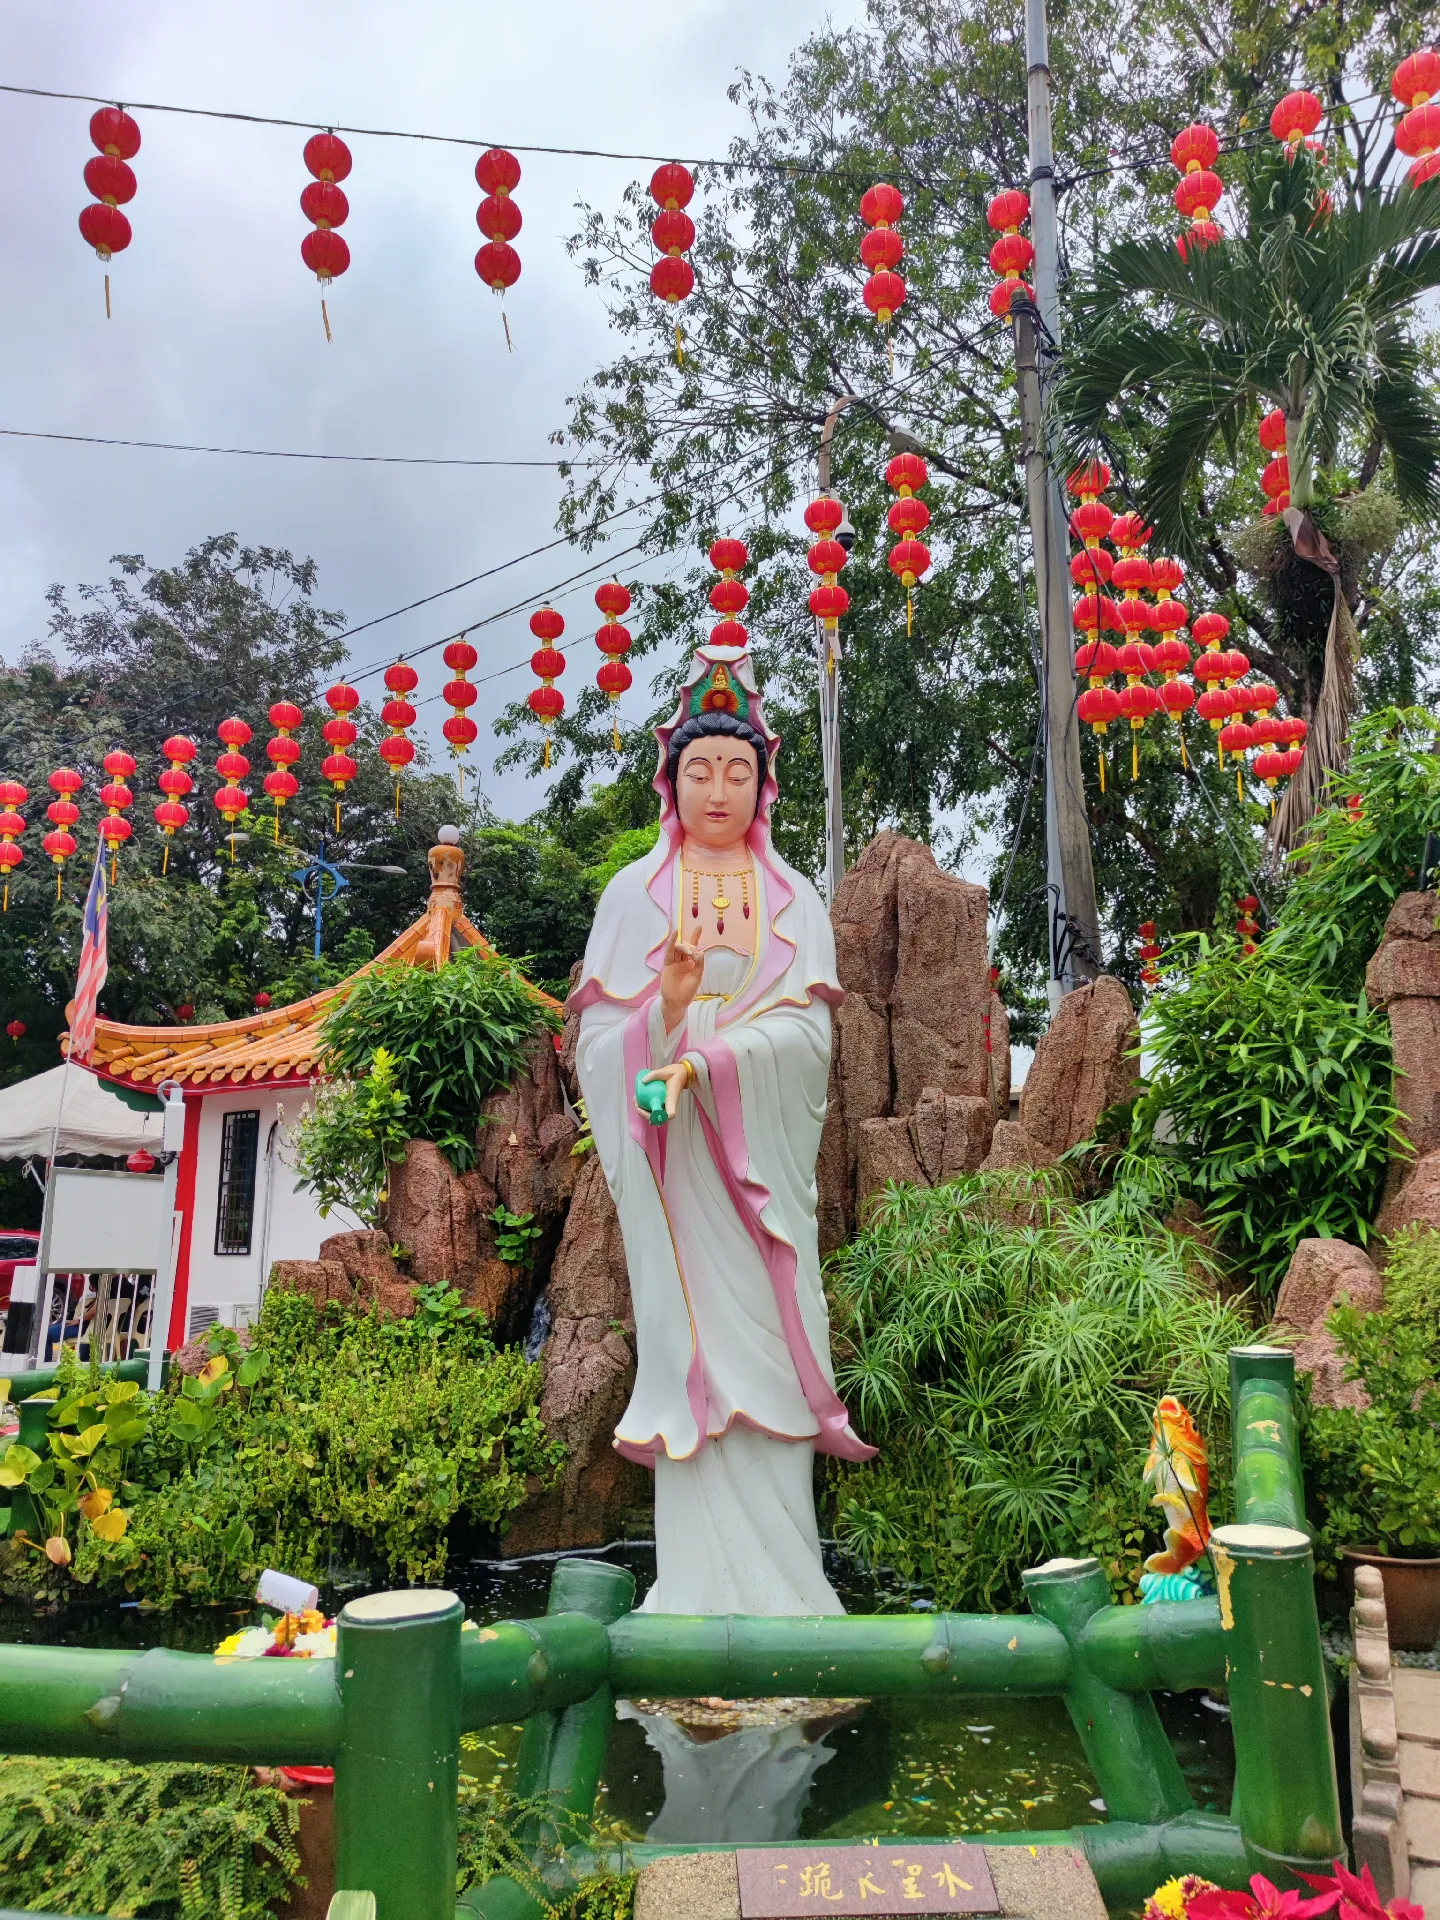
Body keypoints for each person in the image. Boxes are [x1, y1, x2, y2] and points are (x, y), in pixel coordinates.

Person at [572, 642, 874, 1615]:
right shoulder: (633, 897)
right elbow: (600, 1042)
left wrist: (710, 1059)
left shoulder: (794, 902)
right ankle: (694, 1592)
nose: (718, 787)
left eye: (736, 769)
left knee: (772, 1363)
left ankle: (789, 1590)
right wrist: (662, 1016)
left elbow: (810, 1038)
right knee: (693, 1367)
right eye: (700, 768)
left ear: (763, 783)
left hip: (758, 1182)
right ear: (672, 781)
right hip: (678, 1187)